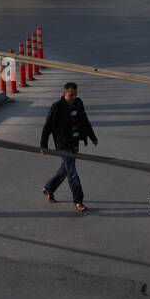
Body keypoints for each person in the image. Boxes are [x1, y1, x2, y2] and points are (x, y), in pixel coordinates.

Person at [40, 81, 98, 212]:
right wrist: (43, 145)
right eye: (71, 95)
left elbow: (84, 120)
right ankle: (78, 201)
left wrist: (92, 136)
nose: (74, 98)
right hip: (63, 144)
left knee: (65, 169)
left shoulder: (78, 103)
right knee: (72, 172)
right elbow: (47, 127)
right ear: (64, 93)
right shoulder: (57, 107)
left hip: (75, 142)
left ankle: (49, 188)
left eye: (75, 95)